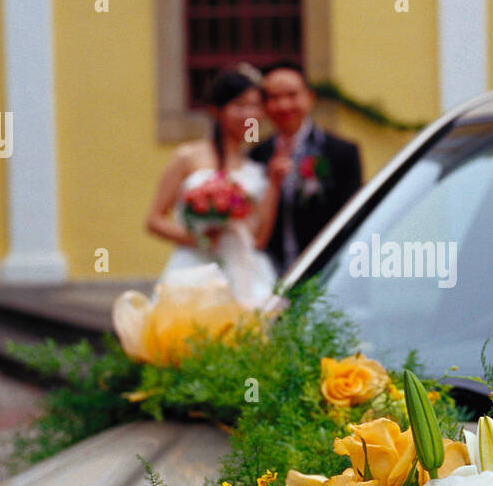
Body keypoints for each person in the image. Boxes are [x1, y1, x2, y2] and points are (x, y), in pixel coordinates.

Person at [144, 68, 284, 310]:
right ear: (216, 110)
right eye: (239, 106)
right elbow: (154, 219)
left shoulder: (255, 168)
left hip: (243, 268)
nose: (249, 114)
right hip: (194, 264)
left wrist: (274, 184)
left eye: (255, 106)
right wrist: (198, 240)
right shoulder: (188, 157)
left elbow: (259, 238)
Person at [248, 63, 362, 275]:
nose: (283, 105)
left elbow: (352, 218)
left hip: (327, 271)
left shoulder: (340, 151)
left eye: (292, 95)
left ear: (309, 98)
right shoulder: (256, 155)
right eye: (273, 97)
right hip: (270, 272)